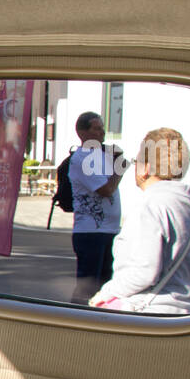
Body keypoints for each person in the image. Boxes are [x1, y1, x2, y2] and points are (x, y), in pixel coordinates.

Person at [90, 127, 190, 314]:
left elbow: (144, 272)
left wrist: (105, 293)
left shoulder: (150, 207)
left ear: (146, 168)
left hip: (151, 316)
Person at [67, 111, 127, 303]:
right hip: (91, 232)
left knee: (105, 287)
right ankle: (75, 323)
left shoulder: (100, 155)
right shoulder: (83, 159)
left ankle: (97, 322)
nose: (102, 133)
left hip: (108, 230)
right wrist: (119, 169)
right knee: (88, 288)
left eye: (102, 128)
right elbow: (106, 190)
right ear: (82, 132)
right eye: (96, 128)